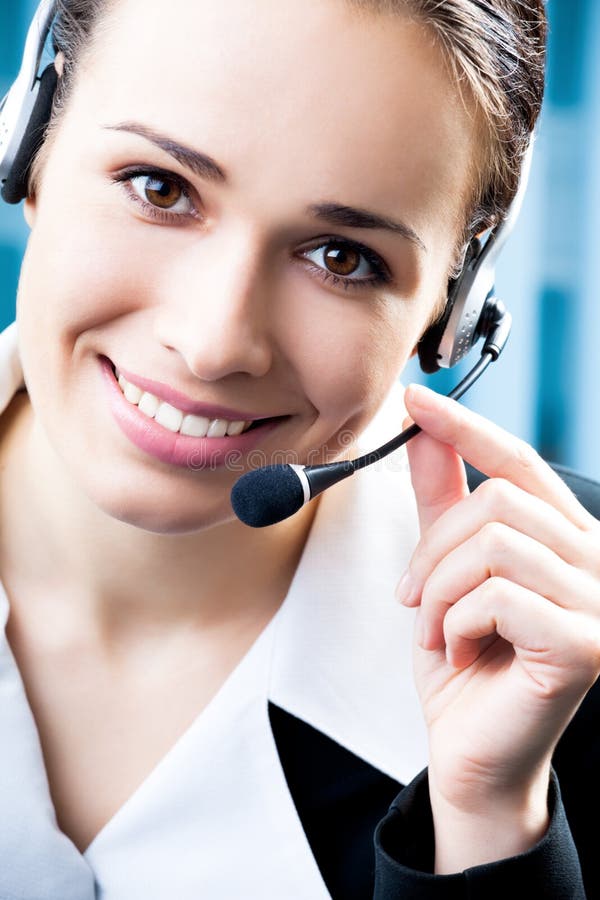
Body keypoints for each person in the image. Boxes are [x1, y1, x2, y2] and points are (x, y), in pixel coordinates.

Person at [0, 0, 597, 897]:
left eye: (340, 257)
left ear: (454, 308)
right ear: (30, 138)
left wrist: (489, 831)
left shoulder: (568, 631)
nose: (214, 342)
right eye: (160, 187)